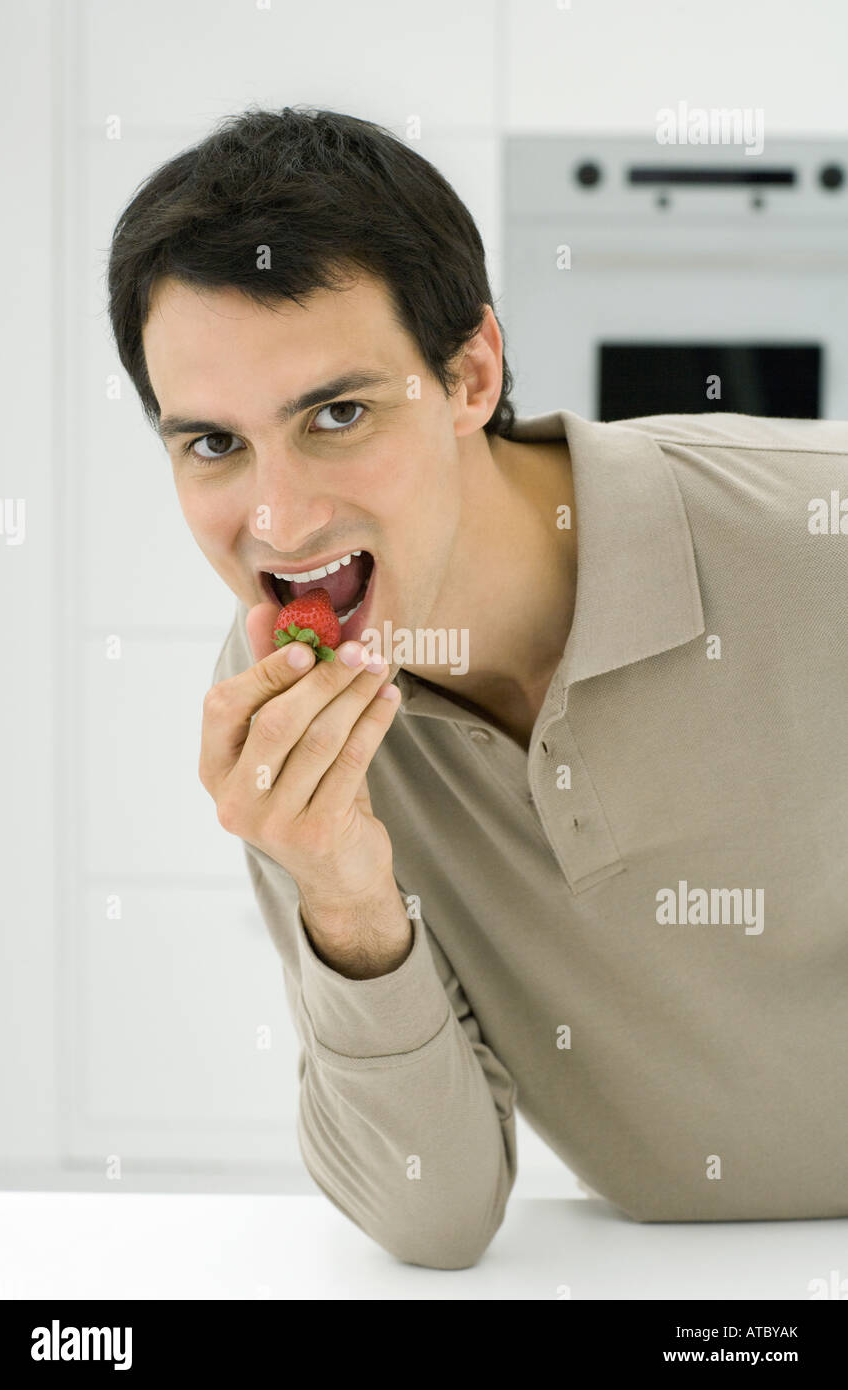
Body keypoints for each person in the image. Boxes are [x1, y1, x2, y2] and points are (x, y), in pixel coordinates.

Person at [107, 106, 848, 1270]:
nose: (280, 518)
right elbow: (435, 1217)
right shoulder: (276, 708)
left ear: (470, 374)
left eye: (337, 413)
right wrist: (342, 893)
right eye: (212, 444)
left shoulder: (822, 538)